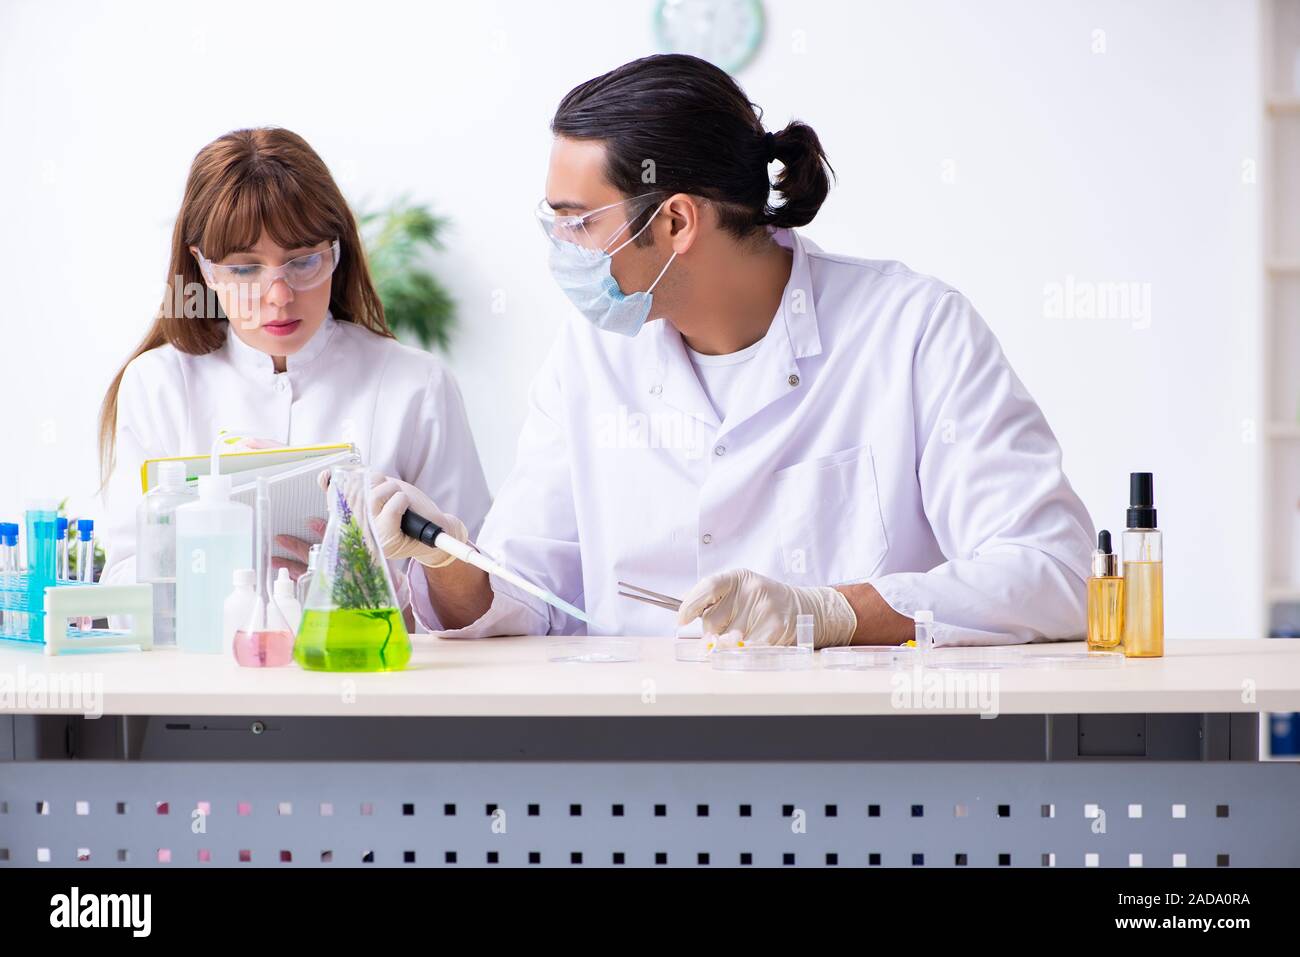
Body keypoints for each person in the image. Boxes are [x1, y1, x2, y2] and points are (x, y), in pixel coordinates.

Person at [368, 54, 1094, 648]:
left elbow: (1054, 573)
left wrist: (831, 612)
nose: (562, 250)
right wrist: (448, 559)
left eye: (579, 223)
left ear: (676, 220)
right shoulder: (590, 357)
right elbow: (525, 598)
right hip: (633, 782)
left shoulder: (913, 332)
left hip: (861, 776)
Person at [98, 127, 490, 624]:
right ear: (203, 269)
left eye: (303, 262)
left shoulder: (415, 384)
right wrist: (211, 533)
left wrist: (386, 569)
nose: (279, 296)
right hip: (207, 690)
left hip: (374, 689)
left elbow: (478, 612)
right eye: (244, 270)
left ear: (336, 251)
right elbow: (123, 599)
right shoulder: (158, 386)